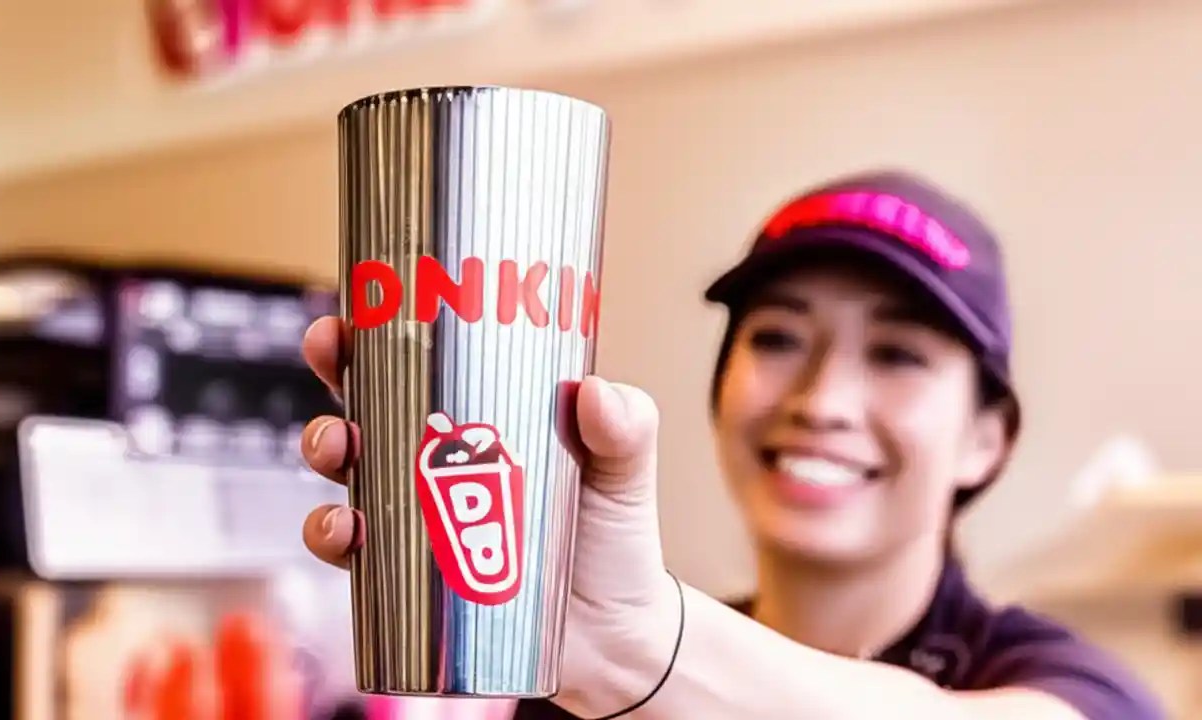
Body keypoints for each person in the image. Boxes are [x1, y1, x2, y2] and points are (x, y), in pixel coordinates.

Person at [298, 170, 1164, 720]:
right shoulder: (572, 692)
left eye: (897, 354)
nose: (822, 399)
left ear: (987, 440)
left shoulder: (1074, 687)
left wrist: (644, 650)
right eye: (780, 338)